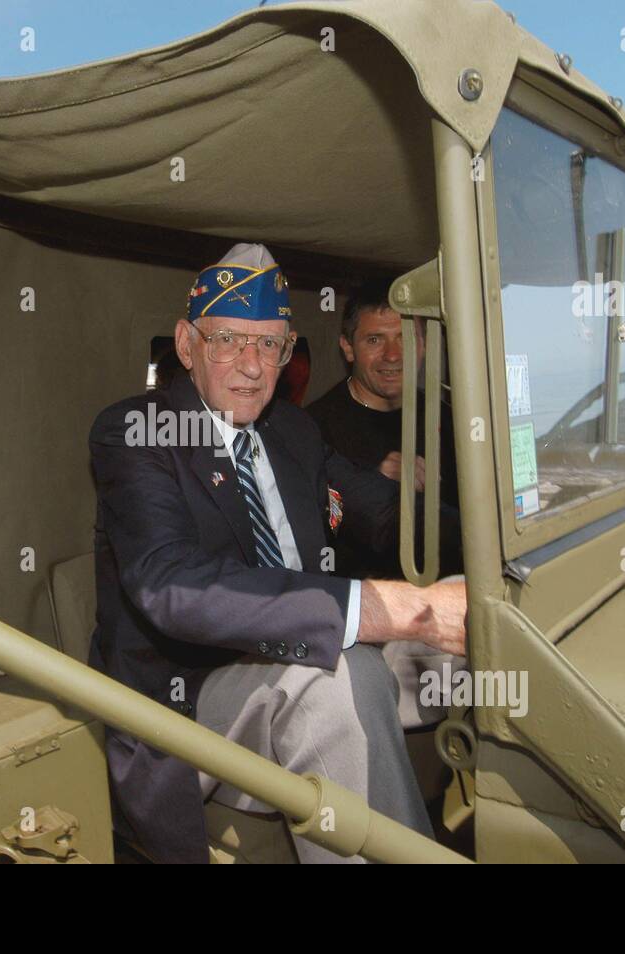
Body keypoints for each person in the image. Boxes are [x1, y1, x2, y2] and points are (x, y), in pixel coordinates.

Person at [89, 243, 467, 864]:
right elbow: (171, 586)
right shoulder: (139, 429)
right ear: (187, 346)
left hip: (306, 648)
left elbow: (387, 511)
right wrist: (384, 606)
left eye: (269, 344)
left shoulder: (290, 430)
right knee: (338, 675)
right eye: (229, 340)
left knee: (487, 641)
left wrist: (494, 553)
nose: (251, 364)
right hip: (188, 700)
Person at [306, 278, 460, 580]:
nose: (392, 355)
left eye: (404, 337)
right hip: (363, 608)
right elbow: (307, 539)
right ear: (348, 348)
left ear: (424, 345)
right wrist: (373, 488)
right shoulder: (312, 430)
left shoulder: (450, 421)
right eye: (375, 340)